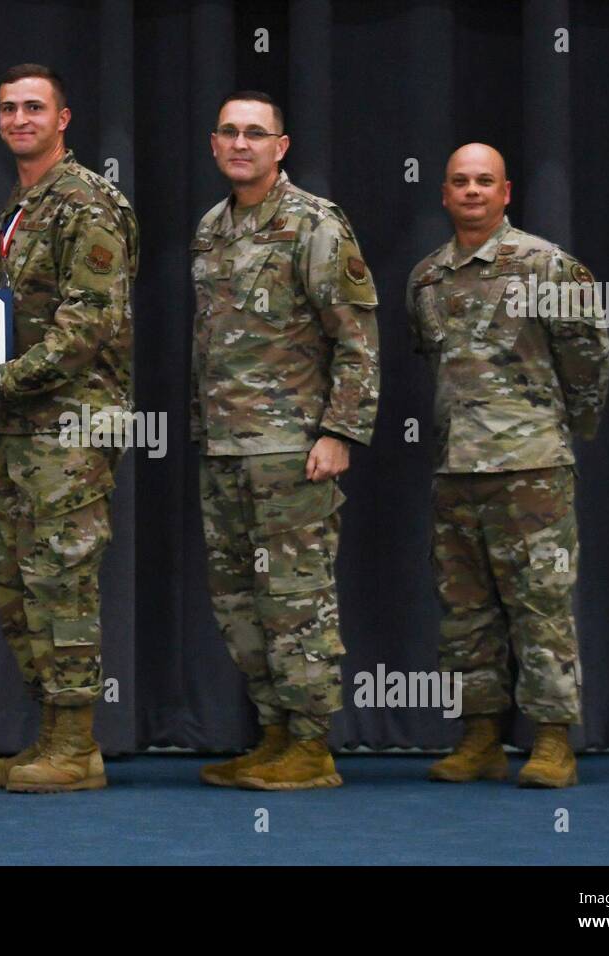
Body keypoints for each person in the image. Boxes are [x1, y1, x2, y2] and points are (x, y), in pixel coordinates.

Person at [0, 63, 138, 793]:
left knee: (62, 579)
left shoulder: (87, 203)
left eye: (34, 107)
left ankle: (73, 743)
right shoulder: (20, 206)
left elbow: (86, 329)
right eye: (8, 108)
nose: (19, 119)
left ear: (64, 119)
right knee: (17, 581)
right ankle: (59, 741)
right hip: (22, 424)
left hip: (72, 426)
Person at [405, 143, 609, 788]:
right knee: (465, 611)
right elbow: (430, 362)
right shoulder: (426, 278)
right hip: (455, 469)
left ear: (506, 192)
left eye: (484, 182)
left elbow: (588, 358)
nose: (471, 191)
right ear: (443, 193)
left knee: (541, 605)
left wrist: (559, 430)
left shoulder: (550, 266)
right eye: (460, 181)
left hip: (531, 468)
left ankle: (552, 742)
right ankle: (480, 738)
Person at [190, 91, 380, 790]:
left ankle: (311, 746)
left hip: (292, 450)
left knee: (296, 600)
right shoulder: (211, 229)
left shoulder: (314, 225)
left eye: (256, 133)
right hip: (224, 448)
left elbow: (357, 340)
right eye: (230, 132)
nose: (241, 143)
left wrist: (339, 432)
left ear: (282, 146)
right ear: (215, 144)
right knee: (238, 602)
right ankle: (273, 737)